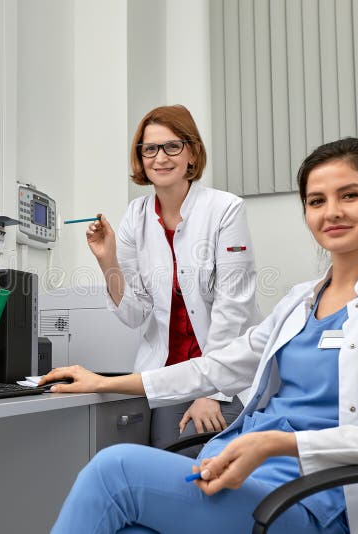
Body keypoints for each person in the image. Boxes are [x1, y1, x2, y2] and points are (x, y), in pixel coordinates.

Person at [41, 137, 358, 534]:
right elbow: (219, 365)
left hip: (315, 500)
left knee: (114, 471)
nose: (331, 211)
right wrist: (104, 382)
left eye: (349, 195)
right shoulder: (300, 302)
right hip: (242, 480)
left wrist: (279, 445)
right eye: (316, 201)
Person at [85, 104, 260, 450]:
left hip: (225, 380)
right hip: (166, 378)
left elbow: (233, 309)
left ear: (192, 152)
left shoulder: (225, 209)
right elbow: (135, 313)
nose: (160, 158)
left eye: (172, 146)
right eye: (150, 149)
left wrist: (211, 390)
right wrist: (108, 261)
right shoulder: (136, 217)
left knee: (206, 475)